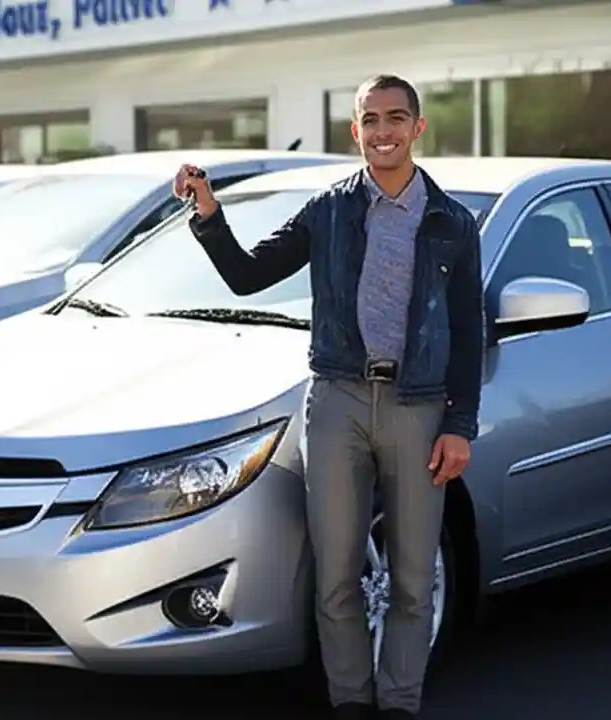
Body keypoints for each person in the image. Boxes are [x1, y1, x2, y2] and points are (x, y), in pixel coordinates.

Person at [174, 74, 484, 720]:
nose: (383, 132)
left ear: (418, 128)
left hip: (417, 408)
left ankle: (399, 703)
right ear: (356, 131)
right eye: (370, 120)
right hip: (337, 401)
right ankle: (351, 704)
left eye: (396, 118)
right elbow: (248, 273)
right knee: (337, 576)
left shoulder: (452, 223)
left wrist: (460, 423)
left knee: (411, 577)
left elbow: (467, 333)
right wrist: (208, 214)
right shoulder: (330, 210)